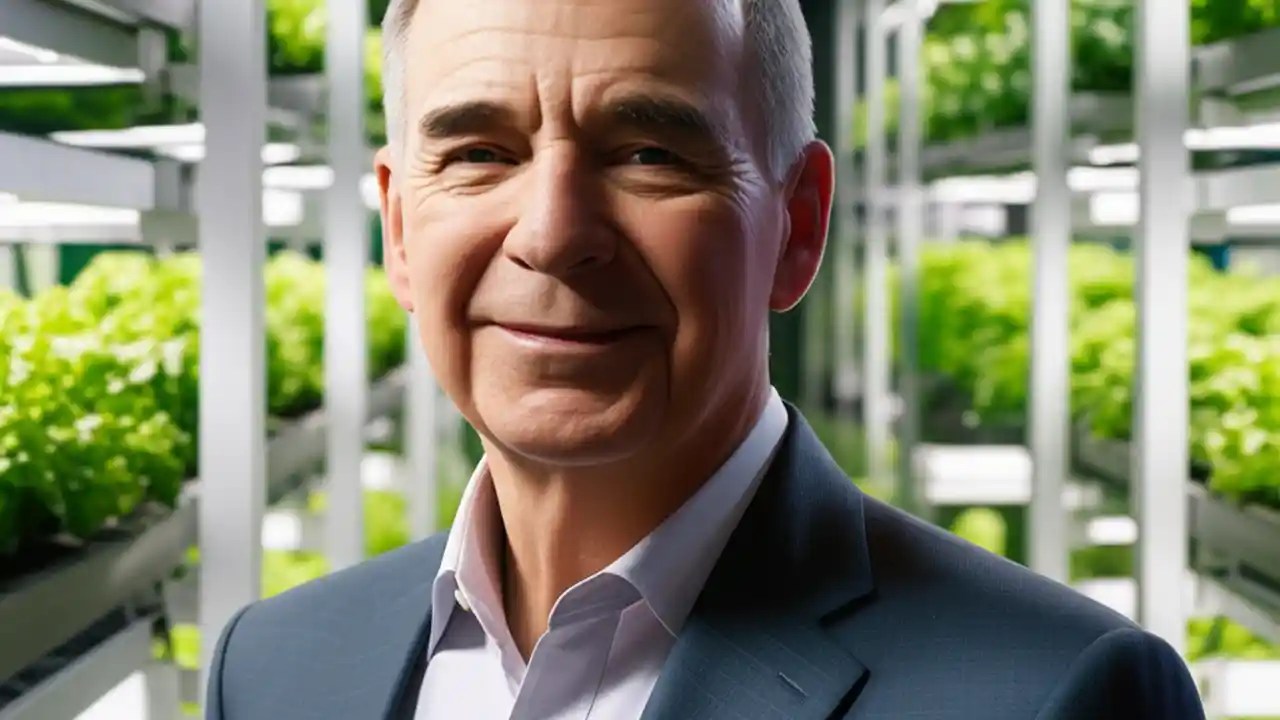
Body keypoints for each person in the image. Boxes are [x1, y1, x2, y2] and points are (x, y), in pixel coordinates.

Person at [205, 0, 1206, 718]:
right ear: (398, 231)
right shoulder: (271, 670)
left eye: (647, 153)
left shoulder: (1058, 692)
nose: (552, 235)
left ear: (796, 226)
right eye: (478, 154)